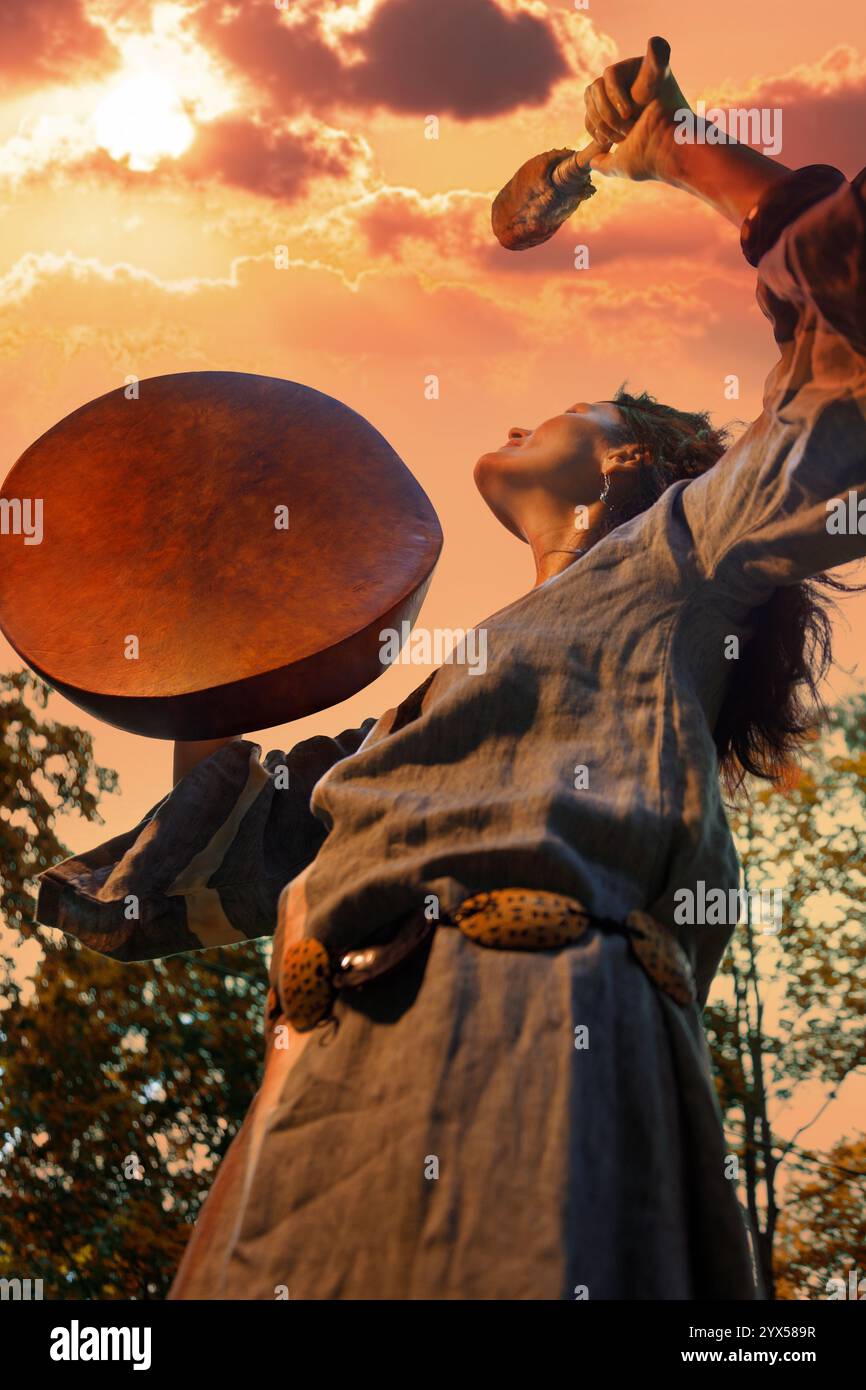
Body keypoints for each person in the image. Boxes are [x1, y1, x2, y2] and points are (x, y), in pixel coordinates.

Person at [35, 40, 866, 1299]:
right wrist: (203, 569)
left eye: (590, 398)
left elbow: (842, 344)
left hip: (532, 1045)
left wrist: (677, 151)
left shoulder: (681, 563)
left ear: (640, 457)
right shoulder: (412, 723)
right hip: (301, 1128)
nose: (531, 414)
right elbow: (183, 893)